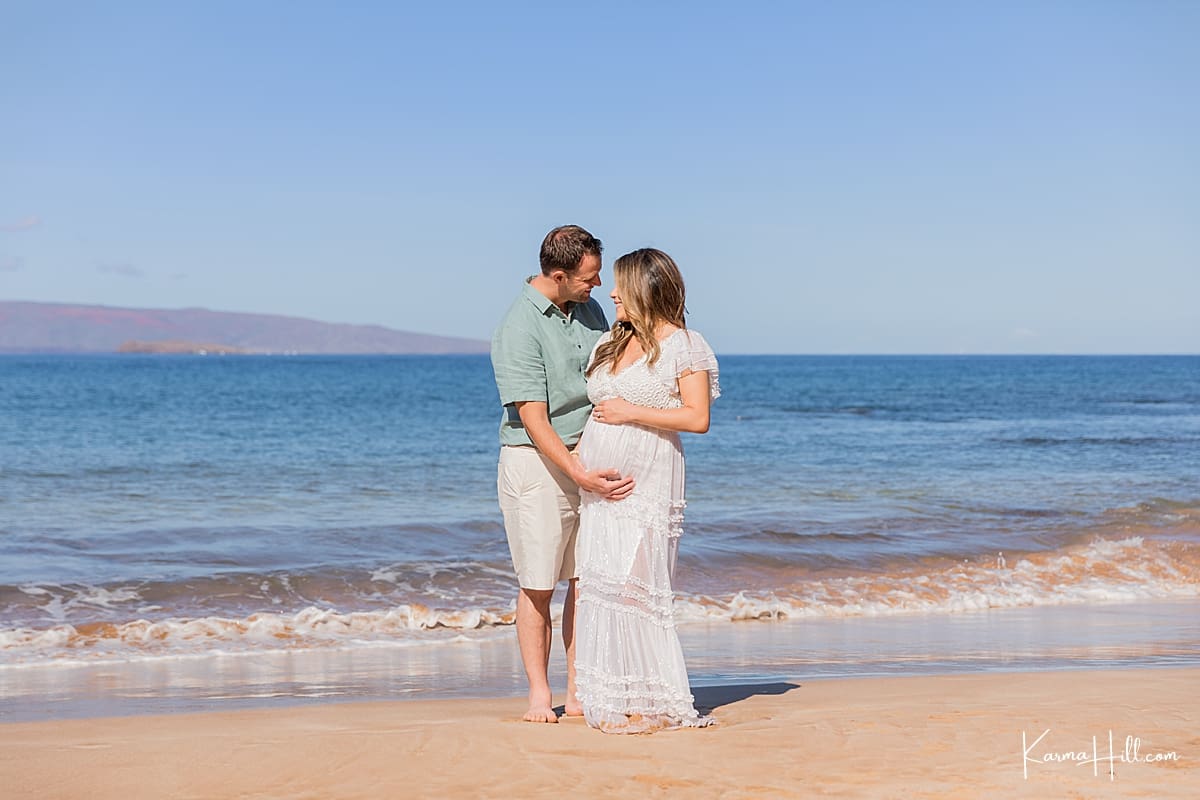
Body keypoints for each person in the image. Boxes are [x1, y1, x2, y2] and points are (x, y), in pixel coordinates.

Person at [491, 225, 635, 724]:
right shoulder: (518, 328)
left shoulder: (589, 309)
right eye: (590, 278)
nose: (598, 286)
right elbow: (533, 417)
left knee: (583, 578)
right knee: (538, 582)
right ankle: (537, 693)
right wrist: (578, 472)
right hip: (537, 463)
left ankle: (577, 689)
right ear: (558, 275)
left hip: (587, 455)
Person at [573, 247, 720, 733]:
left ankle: (654, 700)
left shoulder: (685, 345)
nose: (611, 292)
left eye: (620, 284)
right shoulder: (610, 344)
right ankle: (615, 694)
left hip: (650, 479)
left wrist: (629, 412)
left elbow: (696, 418)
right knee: (603, 584)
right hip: (598, 488)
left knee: (639, 588)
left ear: (644, 288)